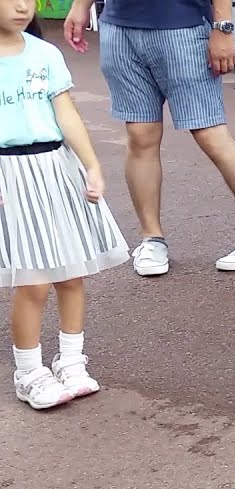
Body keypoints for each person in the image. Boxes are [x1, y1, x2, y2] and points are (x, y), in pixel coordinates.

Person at [62, 0, 235, 277]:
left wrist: (223, 27)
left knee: (210, 134)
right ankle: (152, 238)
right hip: (119, 27)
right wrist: (80, 5)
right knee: (140, 134)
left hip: (184, 26)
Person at [0, 0, 130, 410]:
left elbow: (66, 113)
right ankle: (29, 372)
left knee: (72, 273)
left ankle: (71, 360)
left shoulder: (45, 53)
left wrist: (91, 165)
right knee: (33, 280)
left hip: (56, 167)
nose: (24, 6)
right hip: (9, 174)